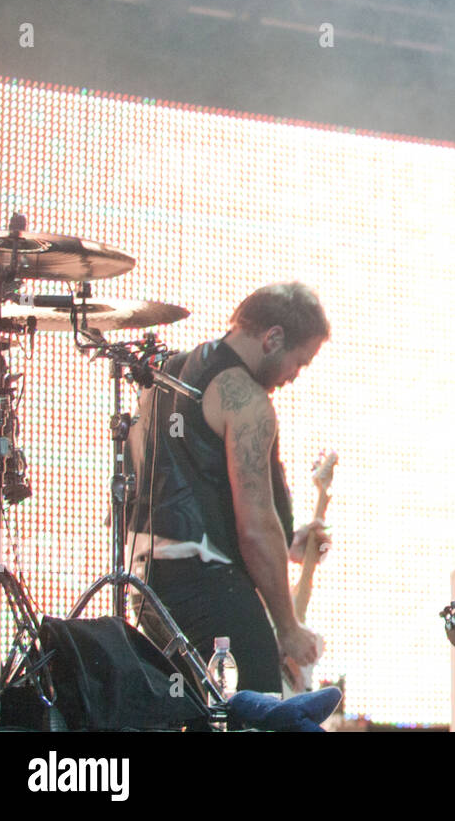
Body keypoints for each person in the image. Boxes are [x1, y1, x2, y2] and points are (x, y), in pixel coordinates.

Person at [128, 282, 329, 694]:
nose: (294, 375)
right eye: (300, 362)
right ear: (273, 338)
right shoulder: (247, 400)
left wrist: (287, 540)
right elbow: (254, 528)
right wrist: (288, 627)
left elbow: (183, 479)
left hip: (148, 587)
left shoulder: (165, 376)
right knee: (258, 707)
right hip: (208, 587)